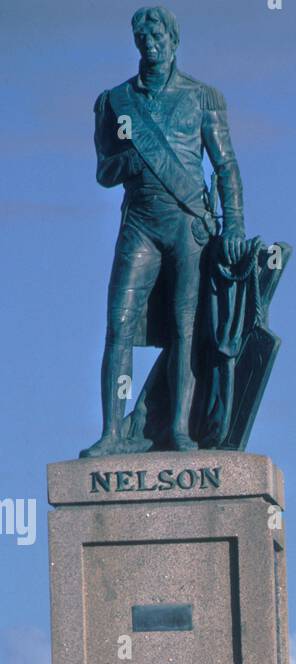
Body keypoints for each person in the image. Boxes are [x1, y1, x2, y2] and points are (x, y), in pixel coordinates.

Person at [81, 7, 246, 457]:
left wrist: (233, 224)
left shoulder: (201, 97)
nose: (148, 41)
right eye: (141, 35)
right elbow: (104, 171)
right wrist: (132, 160)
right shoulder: (114, 101)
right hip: (140, 224)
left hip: (187, 224)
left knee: (185, 328)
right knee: (118, 325)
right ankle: (113, 432)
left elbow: (226, 166)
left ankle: (178, 429)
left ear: (174, 39)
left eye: (156, 33)